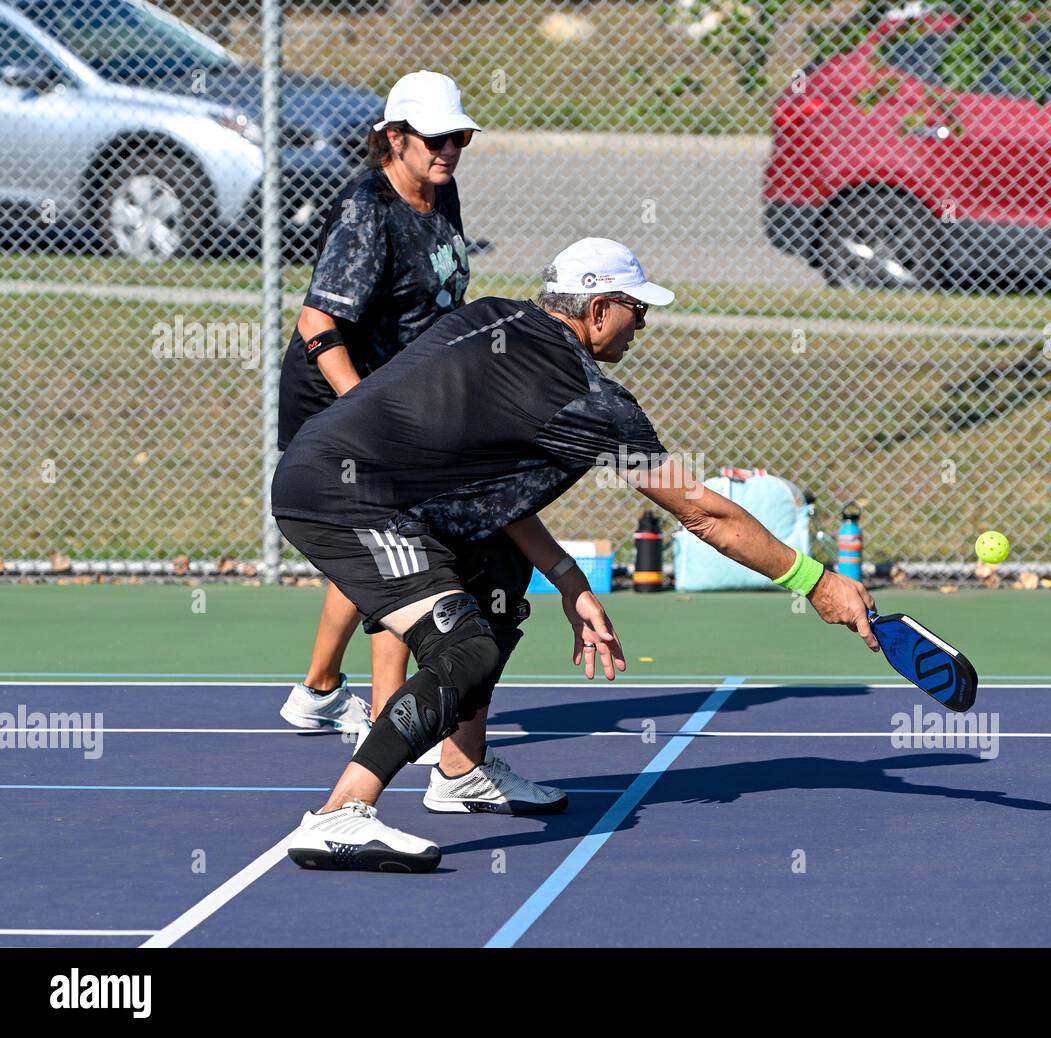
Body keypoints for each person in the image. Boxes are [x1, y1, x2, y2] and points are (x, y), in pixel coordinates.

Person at [272, 238, 880, 871]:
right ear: (597, 310)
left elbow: (486, 487)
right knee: (466, 649)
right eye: (634, 308)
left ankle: (461, 771)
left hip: (358, 479)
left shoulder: (490, 317)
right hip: (347, 499)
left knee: (501, 573)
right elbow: (703, 513)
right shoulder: (588, 402)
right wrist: (813, 581)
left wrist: (565, 576)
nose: (642, 322)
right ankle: (343, 812)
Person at [275, 70, 477, 746]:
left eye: (460, 137)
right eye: (436, 137)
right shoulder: (369, 208)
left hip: (393, 398)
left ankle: (320, 691)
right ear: (395, 138)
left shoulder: (439, 192)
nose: (450, 147)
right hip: (339, 396)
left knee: (376, 549)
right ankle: (390, 721)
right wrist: (365, 409)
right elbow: (316, 323)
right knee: (400, 546)